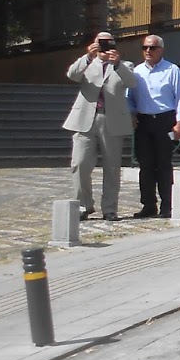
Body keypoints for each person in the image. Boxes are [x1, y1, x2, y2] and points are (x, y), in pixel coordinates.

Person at [62, 29, 137, 222]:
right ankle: (83, 205)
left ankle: (110, 209)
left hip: (111, 120)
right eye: (100, 42)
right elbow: (72, 74)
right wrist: (88, 56)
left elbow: (132, 82)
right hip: (85, 119)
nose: (104, 46)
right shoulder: (87, 63)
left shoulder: (124, 65)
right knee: (79, 164)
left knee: (112, 167)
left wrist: (117, 64)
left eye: (108, 42)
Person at [126, 34, 180, 218]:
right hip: (144, 121)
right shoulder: (137, 71)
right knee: (145, 165)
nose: (148, 51)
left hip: (165, 120)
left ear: (160, 50)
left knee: (164, 164)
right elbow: (128, 97)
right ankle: (148, 205)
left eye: (152, 48)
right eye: (145, 47)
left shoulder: (172, 70)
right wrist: (131, 113)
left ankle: (167, 205)